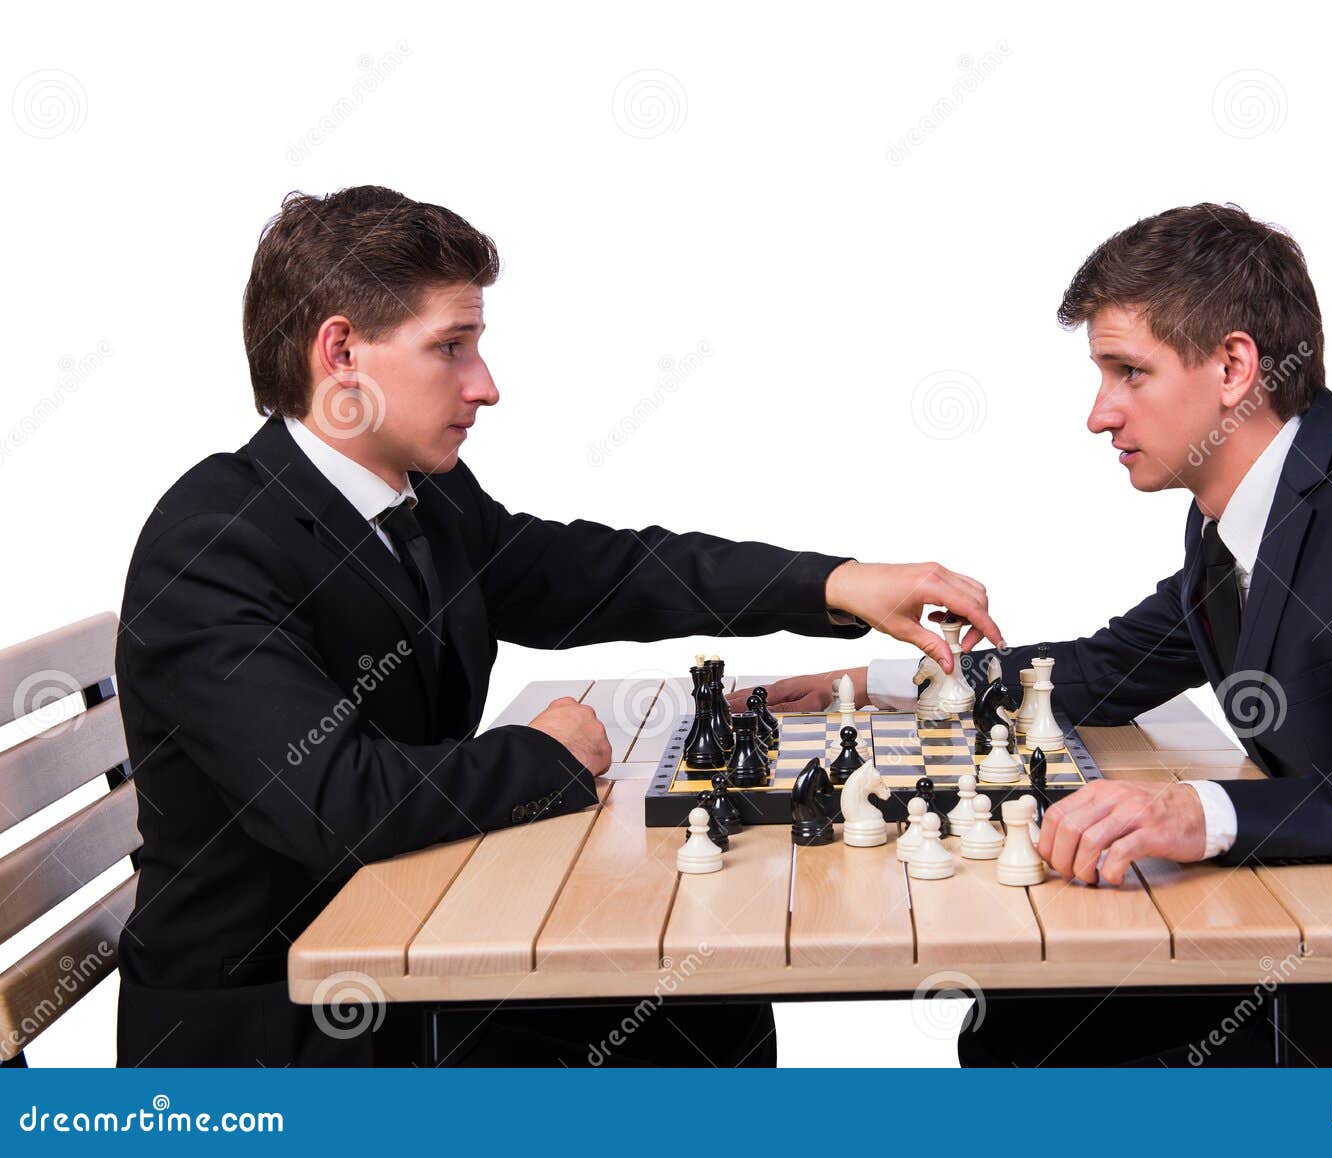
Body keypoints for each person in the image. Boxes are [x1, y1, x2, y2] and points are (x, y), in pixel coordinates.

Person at [114, 185, 1003, 1067]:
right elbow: (338, 804)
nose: (486, 387)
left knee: (710, 1013)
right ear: (340, 352)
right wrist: (545, 753)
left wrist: (833, 585)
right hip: (280, 1024)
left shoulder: (421, 496)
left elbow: (600, 573)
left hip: (407, 945)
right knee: (694, 1032)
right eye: (450, 348)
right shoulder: (212, 544)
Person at [754, 203, 1332, 1066]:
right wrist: (890, 684)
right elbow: (1103, 671)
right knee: (1015, 1017)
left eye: (1129, 372)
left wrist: (1205, 811)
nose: (1098, 414)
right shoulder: (1235, 514)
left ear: (1234, 366)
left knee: (1035, 1037)